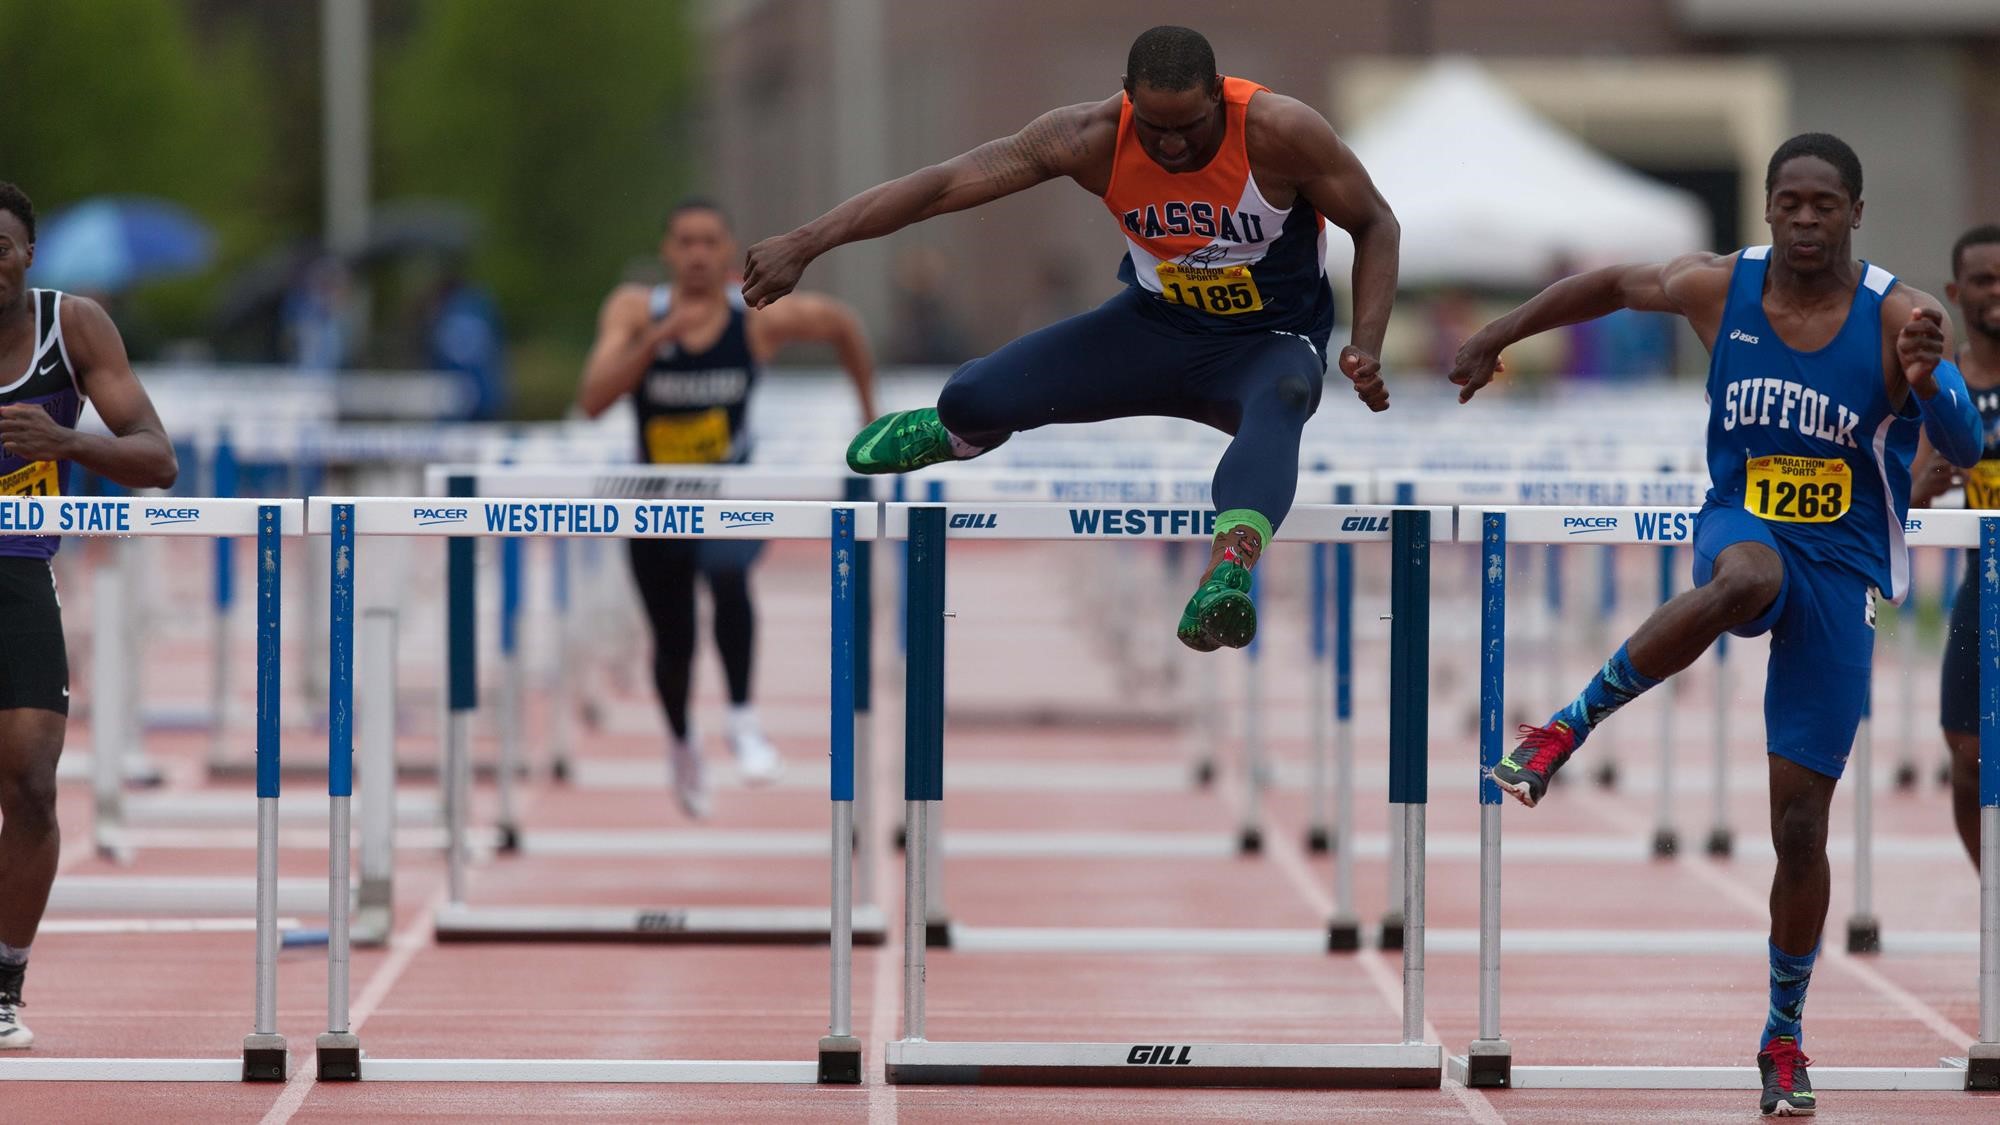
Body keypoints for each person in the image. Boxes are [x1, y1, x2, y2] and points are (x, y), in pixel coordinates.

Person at [1449, 135, 1983, 1116]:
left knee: (1798, 825)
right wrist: (1501, 333)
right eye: (1790, 202)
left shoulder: (1899, 314)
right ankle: (1564, 724)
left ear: (1853, 214)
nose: (1806, 219)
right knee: (1741, 576)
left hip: (1846, 566)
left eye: (1825, 205)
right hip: (1745, 524)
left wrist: (1929, 378)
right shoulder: (1714, 287)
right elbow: (1608, 282)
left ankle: (1782, 1036)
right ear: (1769, 208)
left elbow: (1961, 442)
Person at [741, 25, 1398, 652]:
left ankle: (1228, 569)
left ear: (1218, 93)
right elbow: (943, 185)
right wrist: (807, 241)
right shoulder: (1088, 136)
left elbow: (1375, 223)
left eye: (1190, 128)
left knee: (1284, 396)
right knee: (970, 396)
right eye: (1154, 128)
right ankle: (961, 431)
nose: (1171, 147)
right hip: (1156, 328)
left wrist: (1366, 343)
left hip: (1267, 340)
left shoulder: (1280, 132)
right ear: (1125, 95)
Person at [579, 198, 876, 818]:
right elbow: (592, 401)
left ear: (728, 251)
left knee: (726, 569)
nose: (696, 255)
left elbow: (843, 324)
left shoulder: (757, 319)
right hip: (654, 499)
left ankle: (742, 718)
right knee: (673, 639)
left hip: (732, 492)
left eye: (709, 242)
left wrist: (868, 418)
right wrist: (654, 343)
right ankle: (683, 741)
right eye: (684, 242)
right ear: (667, 250)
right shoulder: (635, 311)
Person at [0, 182, 179, 1049]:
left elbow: (159, 459)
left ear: (28, 253)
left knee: (32, 779)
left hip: (20, 568)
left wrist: (66, 442)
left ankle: (3, 985)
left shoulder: (74, 328)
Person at [1910, 223, 2000, 869]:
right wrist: (1924, 483)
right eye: (1984, 280)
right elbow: (1904, 503)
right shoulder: (1941, 384)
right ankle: (1992, 895)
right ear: (1955, 291)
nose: (1997, 292)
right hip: (1982, 588)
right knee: (1965, 754)